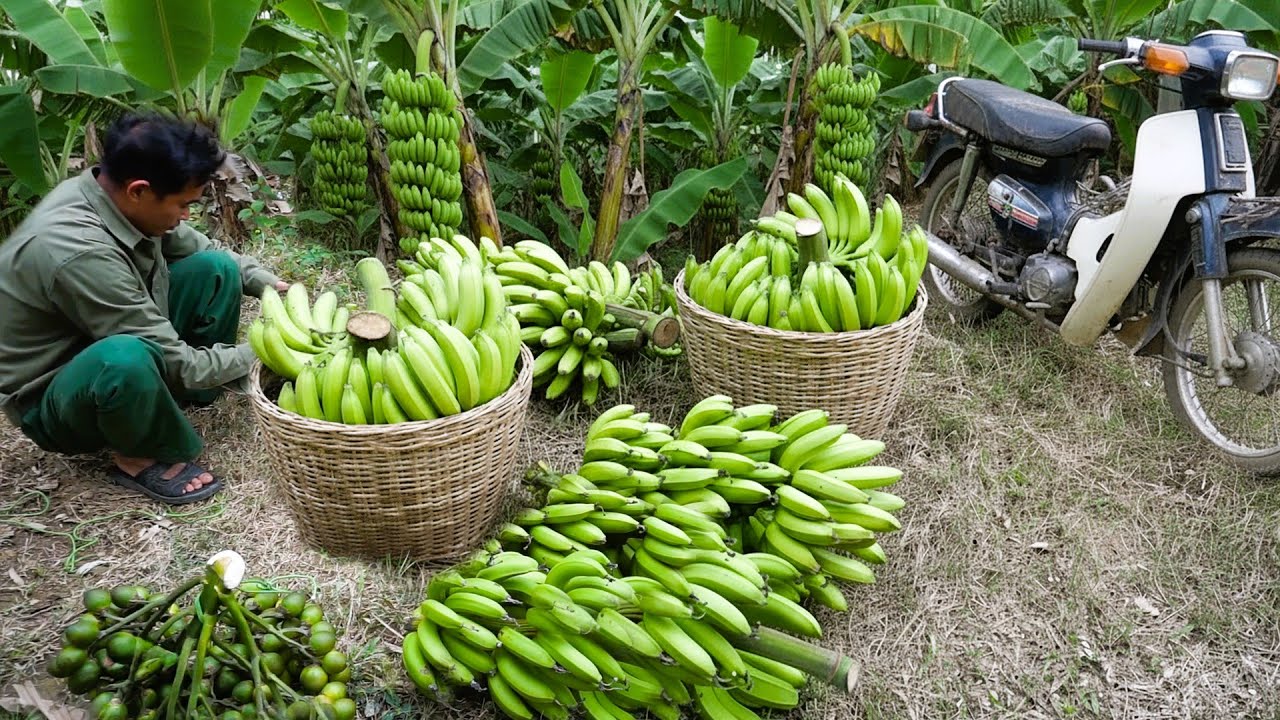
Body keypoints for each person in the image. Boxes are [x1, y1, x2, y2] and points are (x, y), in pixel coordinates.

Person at [0, 111, 289, 504]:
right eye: (183, 204)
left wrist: (268, 283)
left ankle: (183, 397)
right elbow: (180, 363)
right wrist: (274, 346)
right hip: (55, 392)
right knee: (124, 357)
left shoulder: (114, 195)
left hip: (94, 339)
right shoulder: (77, 250)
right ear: (138, 190)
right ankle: (136, 457)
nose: (187, 216)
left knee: (216, 269)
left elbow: (199, 247)